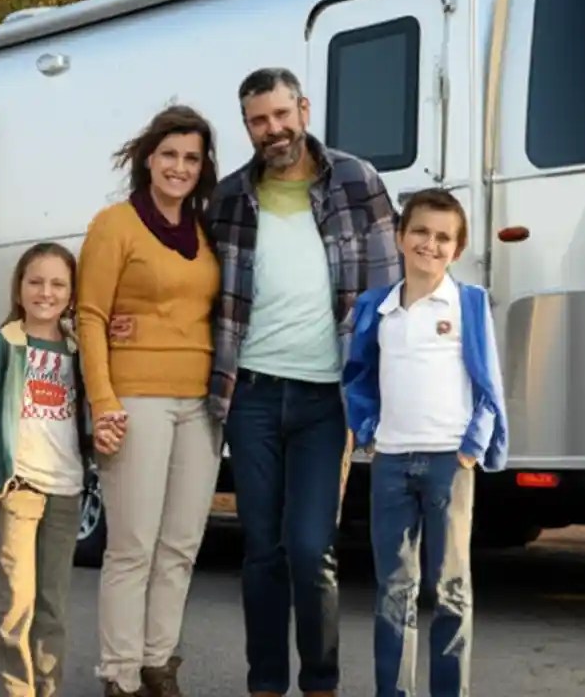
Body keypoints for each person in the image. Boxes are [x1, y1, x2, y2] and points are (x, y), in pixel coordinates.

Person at [201, 67, 402, 697]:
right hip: (252, 395)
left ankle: (321, 683)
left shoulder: (357, 181)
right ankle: (266, 683)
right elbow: (201, 294)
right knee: (261, 550)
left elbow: (387, 293)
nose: (273, 129)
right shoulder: (229, 198)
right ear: (247, 127)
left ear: (304, 109)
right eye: (259, 120)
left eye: (281, 115)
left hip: (325, 399)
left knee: (312, 549)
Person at [76, 104, 223, 697]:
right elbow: (90, 316)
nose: (179, 168)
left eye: (191, 157)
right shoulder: (115, 224)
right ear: (148, 158)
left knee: (182, 543)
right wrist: (103, 402)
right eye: (169, 155)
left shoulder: (207, 229)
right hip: (135, 398)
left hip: (202, 404)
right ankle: (120, 674)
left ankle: (159, 665)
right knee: (133, 544)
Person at [341, 188, 509, 697]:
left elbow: (489, 386)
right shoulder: (379, 306)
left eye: (443, 237)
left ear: (456, 249)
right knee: (394, 590)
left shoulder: (470, 304)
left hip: (448, 464)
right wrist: (368, 429)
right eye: (420, 232)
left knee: (451, 590)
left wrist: (470, 449)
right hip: (391, 463)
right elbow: (358, 374)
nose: (429, 245)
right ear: (400, 237)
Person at [0, 241, 93, 697]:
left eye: (58, 284)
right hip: (16, 486)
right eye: (35, 282)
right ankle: (17, 691)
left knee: (53, 605)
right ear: (19, 288)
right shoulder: (3, 344)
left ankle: (48, 687)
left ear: (72, 293)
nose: (46, 292)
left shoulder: (79, 349)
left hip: (66, 487)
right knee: (16, 602)